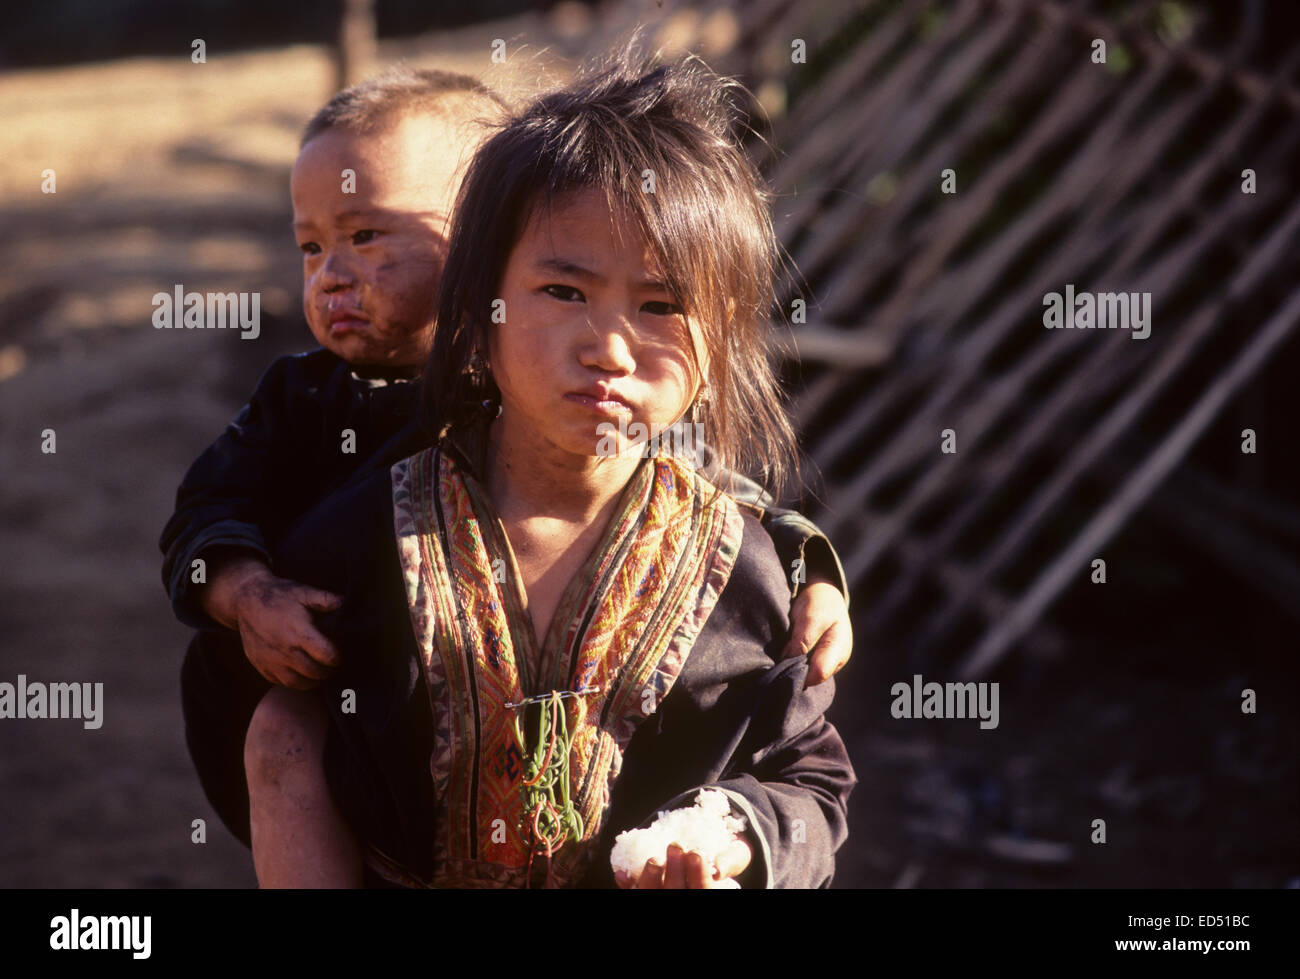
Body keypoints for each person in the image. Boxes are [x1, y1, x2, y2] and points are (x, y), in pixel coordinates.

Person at [160, 67, 855, 849]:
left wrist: (808, 563)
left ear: (474, 248)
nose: (333, 275)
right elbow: (205, 512)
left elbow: (722, 492)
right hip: (348, 717)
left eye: (367, 235)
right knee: (283, 729)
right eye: (311, 247)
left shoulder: (552, 417)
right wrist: (249, 593)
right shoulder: (307, 404)